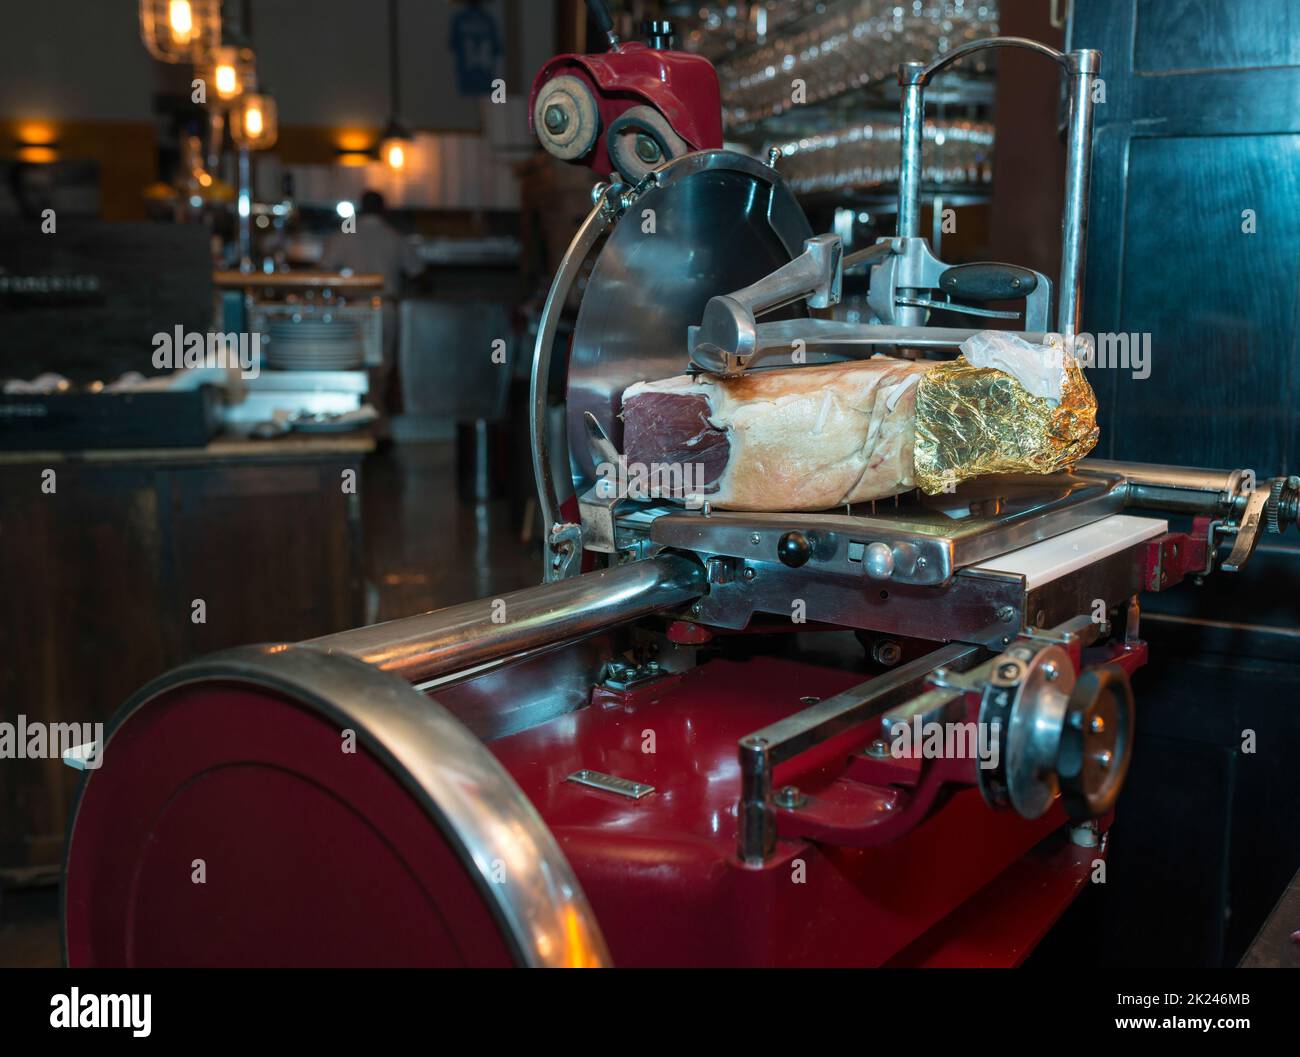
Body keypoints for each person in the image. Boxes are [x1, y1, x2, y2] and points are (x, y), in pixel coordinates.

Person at [322, 190, 423, 425]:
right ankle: (377, 425)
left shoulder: (344, 234)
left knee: (355, 366)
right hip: (386, 309)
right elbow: (419, 273)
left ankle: (365, 422)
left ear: (360, 207)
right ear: (383, 209)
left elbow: (324, 270)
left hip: (353, 309)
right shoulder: (394, 236)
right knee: (382, 370)